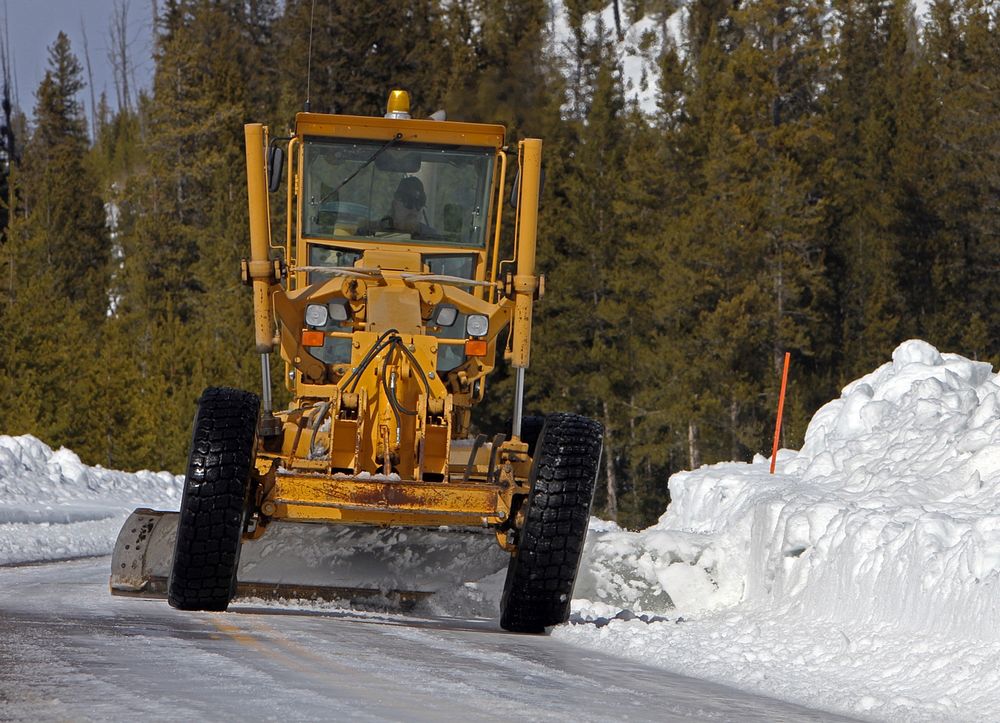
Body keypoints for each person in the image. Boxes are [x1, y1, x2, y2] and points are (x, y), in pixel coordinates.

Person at [358, 176, 440, 238]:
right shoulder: (369, 233)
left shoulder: (432, 239)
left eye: (419, 204)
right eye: (408, 202)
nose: (414, 209)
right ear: (395, 204)